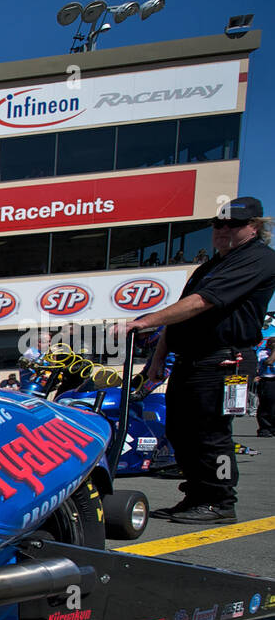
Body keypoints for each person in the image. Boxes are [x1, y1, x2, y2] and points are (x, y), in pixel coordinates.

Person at [118, 197, 275, 524]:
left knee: (213, 433)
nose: (223, 230)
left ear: (255, 227)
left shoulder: (258, 259)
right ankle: (197, 495)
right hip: (192, 359)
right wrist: (157, 359)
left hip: (226, 362)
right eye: (218, 224)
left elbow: (203, 302)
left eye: (234, 224)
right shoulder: (209, 266)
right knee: (179, 430)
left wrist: (144, 320)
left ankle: (220, 499)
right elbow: (182, 313)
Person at [254, 313, 275, 437]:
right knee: (267, 405)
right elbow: (269, 362)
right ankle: (265, 428)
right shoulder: (263, 353)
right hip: (267, 381)